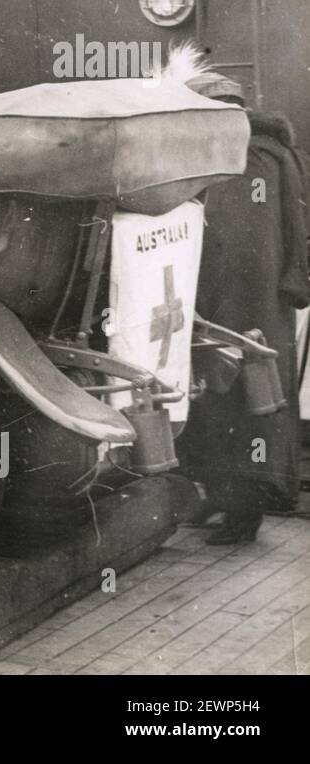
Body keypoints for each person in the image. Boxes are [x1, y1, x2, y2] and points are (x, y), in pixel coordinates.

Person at [178, 71, 310, 544]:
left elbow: (241, 235)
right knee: (218, 401)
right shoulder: (260, 154)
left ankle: (245, 513)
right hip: (235, 299)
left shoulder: (253, 158)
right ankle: (219, 494)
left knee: (247, 401)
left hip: (247, 302)